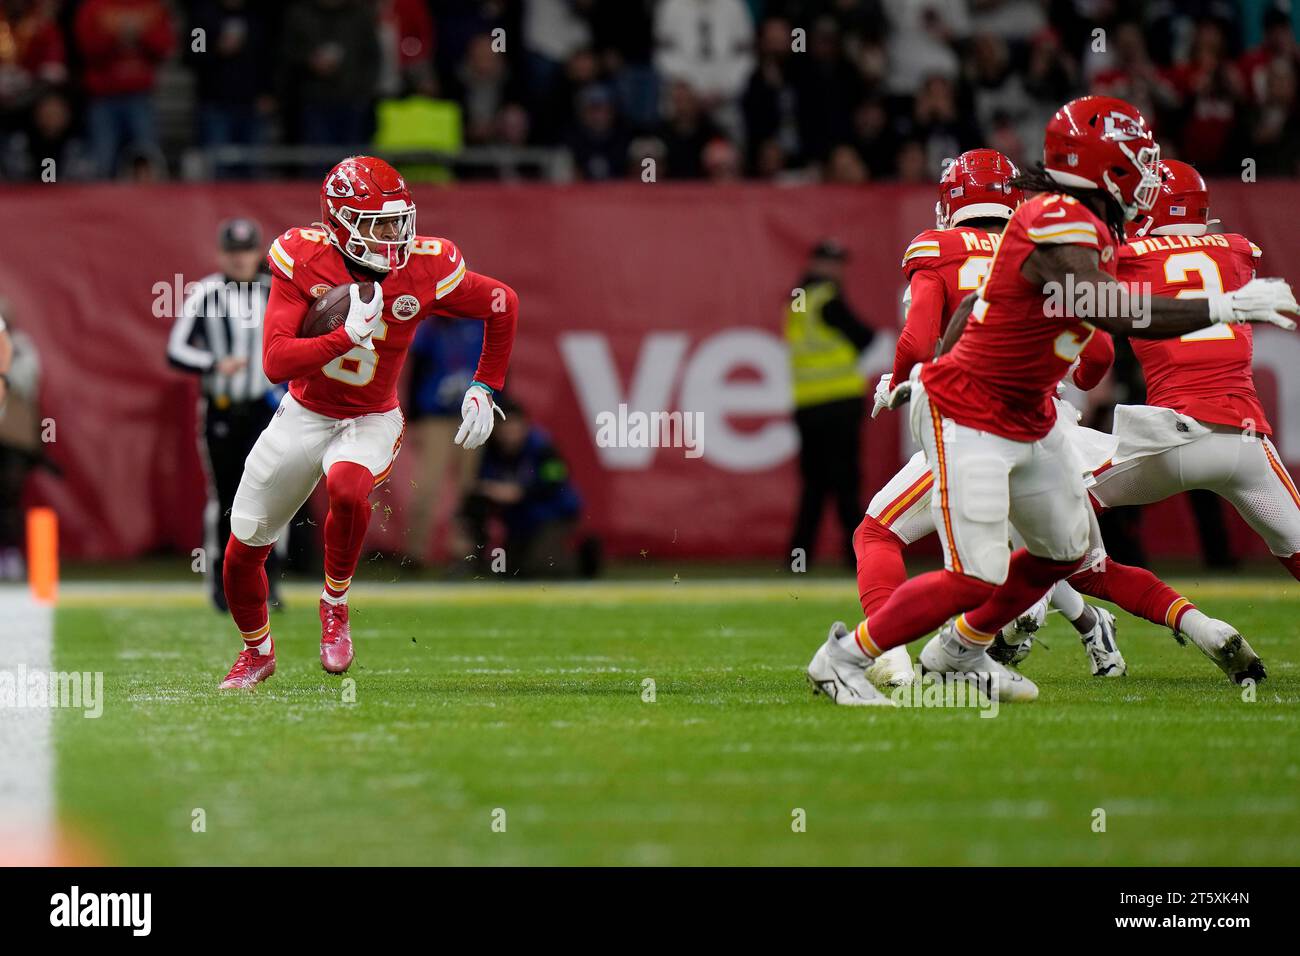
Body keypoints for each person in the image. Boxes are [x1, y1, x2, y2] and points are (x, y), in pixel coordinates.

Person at [807, 95, 1299, 706]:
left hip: (1030, 415)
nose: (1147, 174)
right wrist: (1225, 304)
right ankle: (843, 659)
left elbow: (974, 309)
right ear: (1106, 166)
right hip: (972, 413)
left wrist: (986, 340)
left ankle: (957, 654)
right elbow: (1110, 310)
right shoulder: (1058, 217)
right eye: (1137, 160)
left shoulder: (1090, 225)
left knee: (1063, 552)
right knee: (974, 573)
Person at [217, 156, 518, 690]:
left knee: (348, 487)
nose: (394, 234)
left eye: (399, 220)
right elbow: (276, 362)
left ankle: (334, 603)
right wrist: (343, 337)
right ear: (339, 222)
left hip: (371, 416)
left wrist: (484, 385)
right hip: (304, 414)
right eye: (379, 223)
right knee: (242, 550)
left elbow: (502, 303)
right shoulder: (302, 258)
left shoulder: (423, 267)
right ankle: (257, 652)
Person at [1088, 160, 1300, 588]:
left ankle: (1021, 619)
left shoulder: (1125, 257)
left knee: (1059, 503)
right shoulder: (1237, 249)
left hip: (1172, 436)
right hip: (1245, 440)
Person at [167, 218, 280, 612]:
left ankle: (270, 583)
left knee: (270, 496)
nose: (239, 259)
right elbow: (176, 350)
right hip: (223, 411)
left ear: (257, 253)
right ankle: (220, 582)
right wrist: (214, 362)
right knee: (227, 496)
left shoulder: (275, 292)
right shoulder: (205, 293)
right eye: (232, 251)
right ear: (221, 254)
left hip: (267, 411)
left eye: (246, 251)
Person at [784, 239, 874, 568]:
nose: (837, 270)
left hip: (807, 404)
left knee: (815, 487)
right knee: (847, 484)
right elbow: (864, 337)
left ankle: (799, 557)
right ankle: (859, 557)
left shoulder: (797, 299)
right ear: (816, 263)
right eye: (831, 262)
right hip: (838, 402)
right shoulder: (826, 298)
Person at [459, 396, 593, 579]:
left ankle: (585, 556)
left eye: (514, 427)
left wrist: (520, 492)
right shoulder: (491, 450)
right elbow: (482, 487)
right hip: (519, 520)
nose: (509, 434)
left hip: (552, 515)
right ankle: (474, 559)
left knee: (542, 566)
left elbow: (556, 481)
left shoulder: (542, 446)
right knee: (511, 570)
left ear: (525, 426)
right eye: (505, 428)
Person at [403, 318, 485, 564]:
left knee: (468, 488)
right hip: (436, 417)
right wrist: (415, 416)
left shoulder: (480, 327)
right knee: (427, 486)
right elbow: (417, 371)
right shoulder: (431, 328)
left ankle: (464, 553)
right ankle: (415, 554)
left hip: (472, 416)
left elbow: (499, 367)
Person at [0, 305, 41, 579]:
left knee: (9, 496)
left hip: (12, 438)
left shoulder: (22, 349)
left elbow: (25, 381)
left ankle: (10, 554)